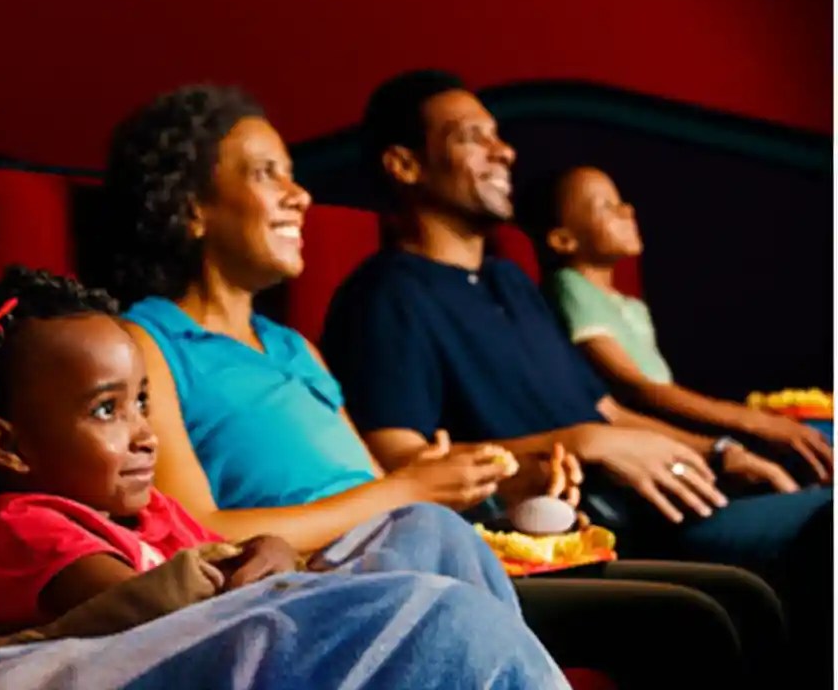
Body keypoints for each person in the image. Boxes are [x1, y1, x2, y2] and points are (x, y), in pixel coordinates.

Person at [0, 61, 574, 689]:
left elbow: (133, 529)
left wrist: (236, 565)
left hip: (106, 621)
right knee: (436, 622)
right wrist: (17, 637)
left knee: (425, 537)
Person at [94, 84, 786, 688]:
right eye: (266, 173)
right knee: (690, 623)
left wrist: (486, 481)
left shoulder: (291, 345)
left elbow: (369, 484)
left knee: (741, 600)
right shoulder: (148, 342)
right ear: (191, 208)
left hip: (405, 545)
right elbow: (191, 536)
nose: (299, 193)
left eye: (293, 173)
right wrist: (408, 491)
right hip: (326, 584)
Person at [319, 68, 831, 685]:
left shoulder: (511, 280)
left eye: (498, 135)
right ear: (404, 165)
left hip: (667, 496)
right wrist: (581, 443)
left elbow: (607, 412)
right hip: (588, 525)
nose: (503, 150)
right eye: (470, 137)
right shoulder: (386, 295)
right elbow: (397, 455)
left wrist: (722, 449)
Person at [0, 267, 298, 632]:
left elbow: (232, 563)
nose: (145, 436)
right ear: (9, 446)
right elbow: (156, 612)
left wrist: (270, 550)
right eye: (106, 410)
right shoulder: (19, 529)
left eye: (141, 403)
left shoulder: (157, 512)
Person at [538, 164, 832, 484]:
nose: (626, 210)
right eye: (606, 206)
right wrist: (753, 422)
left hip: (680, 425)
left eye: (621, 201)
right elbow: (638, 388)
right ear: (563, 239)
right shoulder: (570, 285)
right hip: (646, 434)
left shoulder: (632, 306)